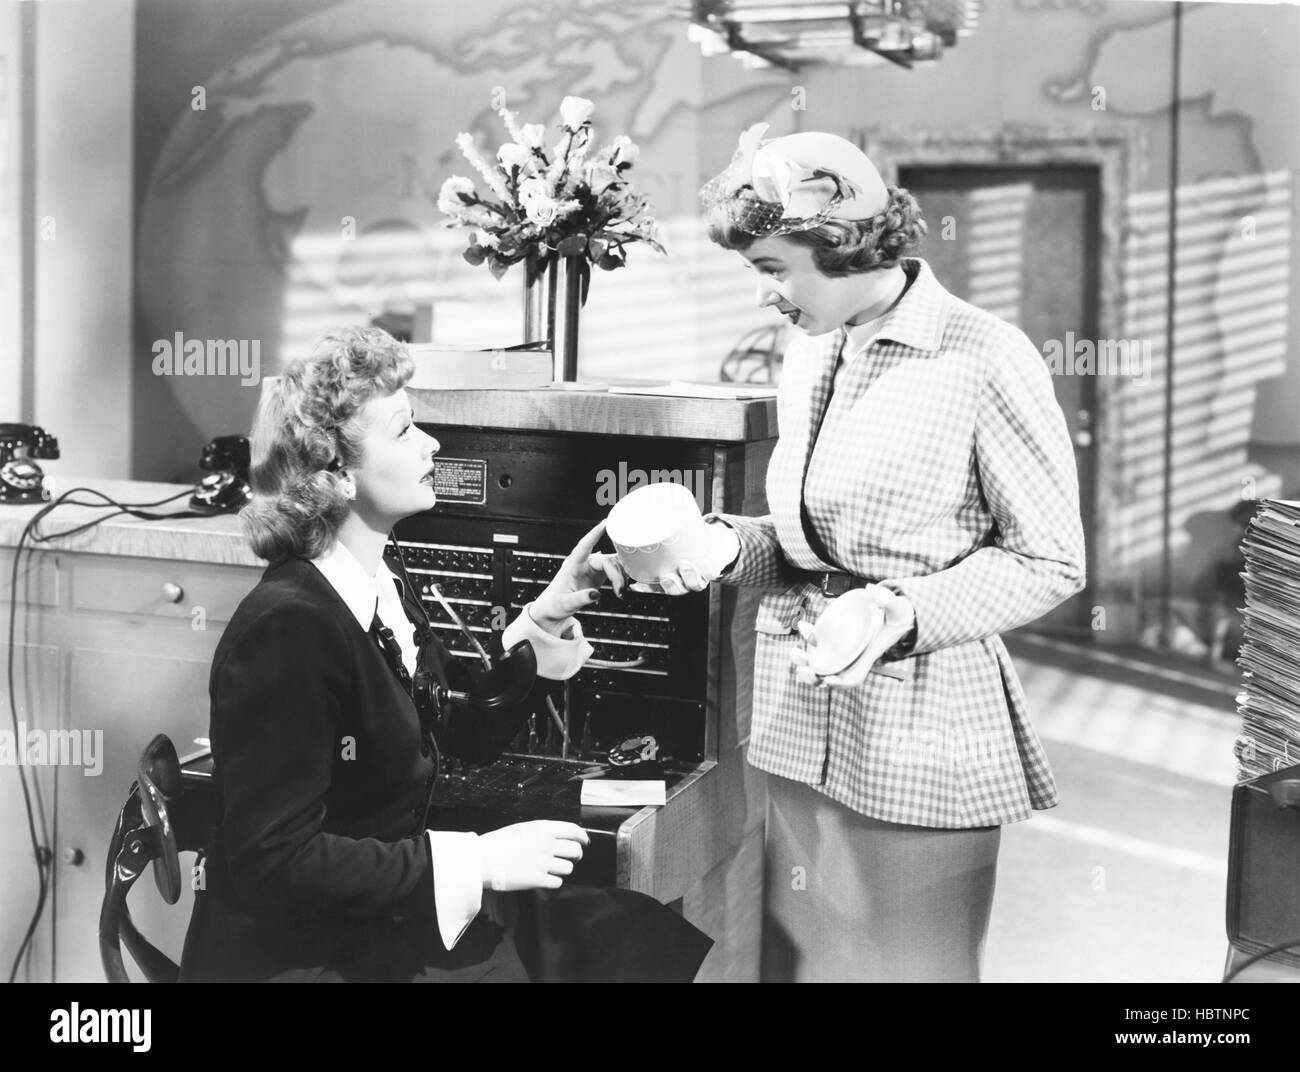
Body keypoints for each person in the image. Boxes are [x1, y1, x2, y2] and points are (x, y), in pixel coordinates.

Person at [591, 126, 1086, 982]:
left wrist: (898, 611)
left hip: (919, 734)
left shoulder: (984, 356)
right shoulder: (814, 349)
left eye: (773, 270)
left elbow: (1050, 561)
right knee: (808, 966)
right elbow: (803, 544)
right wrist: (720, 546)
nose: (765, 298)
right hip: (798, 723)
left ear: (845, 241)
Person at [180, 326, 609, 982]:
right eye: (406, 430)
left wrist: (540, 620)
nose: (434, 445)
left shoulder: (378, 582)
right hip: (304, 963)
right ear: (339, 475)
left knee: (627, 939)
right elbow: (275, 862)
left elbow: (455, 729)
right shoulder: (290, 628)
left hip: (369, 929)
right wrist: (479, 861)